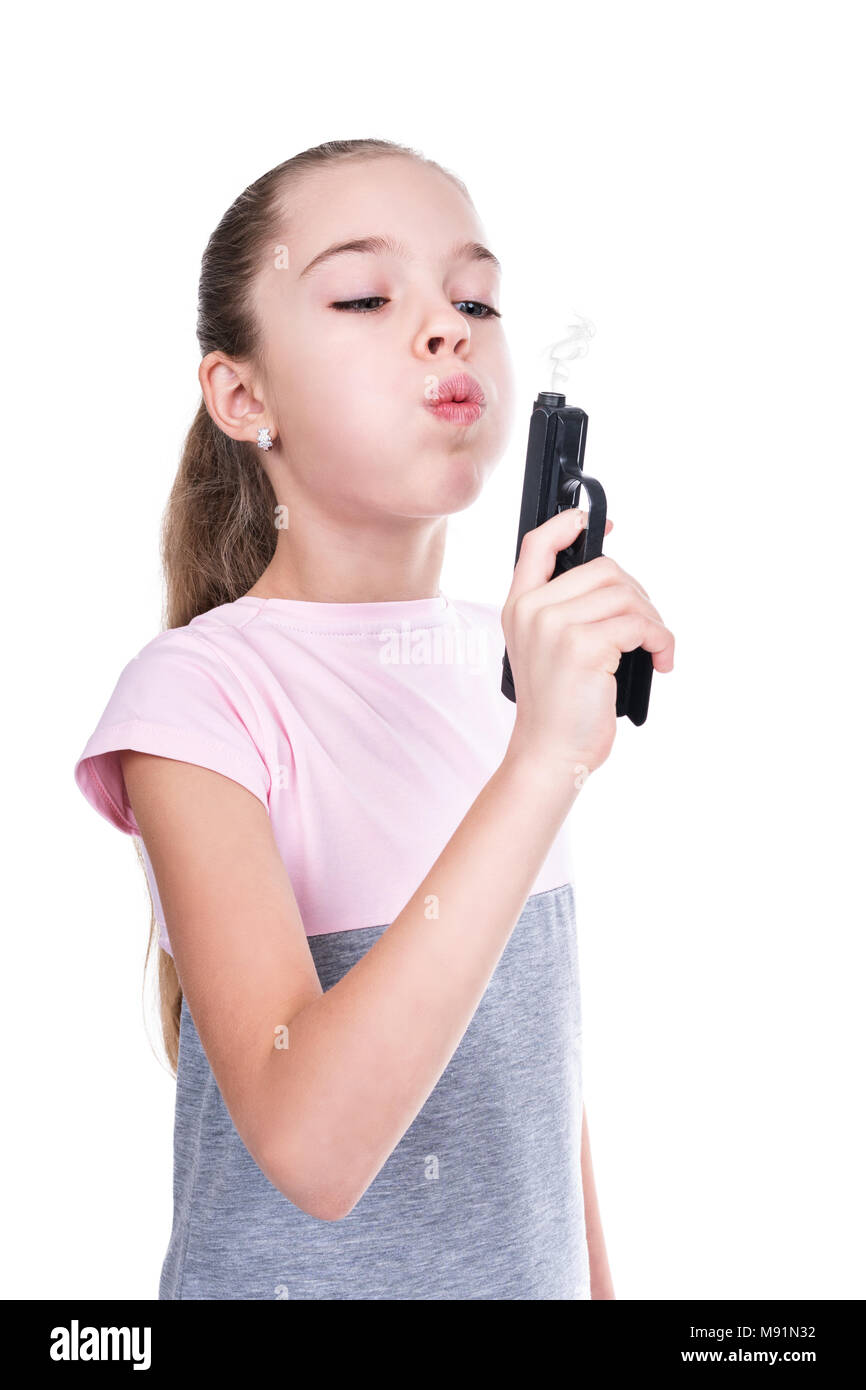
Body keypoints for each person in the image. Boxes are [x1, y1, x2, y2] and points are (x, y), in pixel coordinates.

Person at [73, 137, 674, 1300]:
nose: (447, 328)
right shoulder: (195, 698)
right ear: (242, 396)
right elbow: (312, 1148)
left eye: (473, 297)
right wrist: (540, 762)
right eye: (361, 294)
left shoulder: (498, 662)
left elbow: (536, 1084)